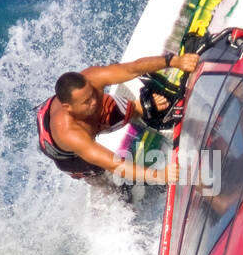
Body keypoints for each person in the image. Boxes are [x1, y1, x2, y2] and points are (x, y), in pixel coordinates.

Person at [35, 52, 200, 182]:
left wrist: (174, 61)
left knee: (120, 110)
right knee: (102, 175)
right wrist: (159, 175)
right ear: (67, 108)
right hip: (65, 155)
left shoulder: (92, 79)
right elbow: (115, 164)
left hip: (77, 116)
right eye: (86, 101)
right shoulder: (71, 134)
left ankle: (139, 110)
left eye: (93, 94)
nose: (94, 102)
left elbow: (133, 68)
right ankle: (105, 196)